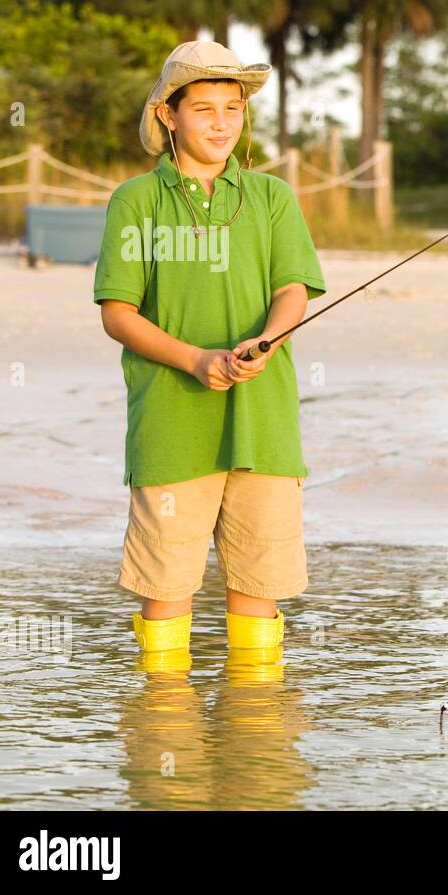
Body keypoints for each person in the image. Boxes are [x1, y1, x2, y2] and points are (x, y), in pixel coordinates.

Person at [93, 41, 326, 671]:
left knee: (258, 594)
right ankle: (165, 744)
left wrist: (268, 338)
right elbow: (119, 313)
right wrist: (197, 360)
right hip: (171, 426)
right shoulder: (136, 200)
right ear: (169, 116)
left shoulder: (273, 196)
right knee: (166, 592)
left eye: (234, 108)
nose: (222, 122)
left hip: (265, 426)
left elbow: (292, 289)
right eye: (204, 109)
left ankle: (251, 750)